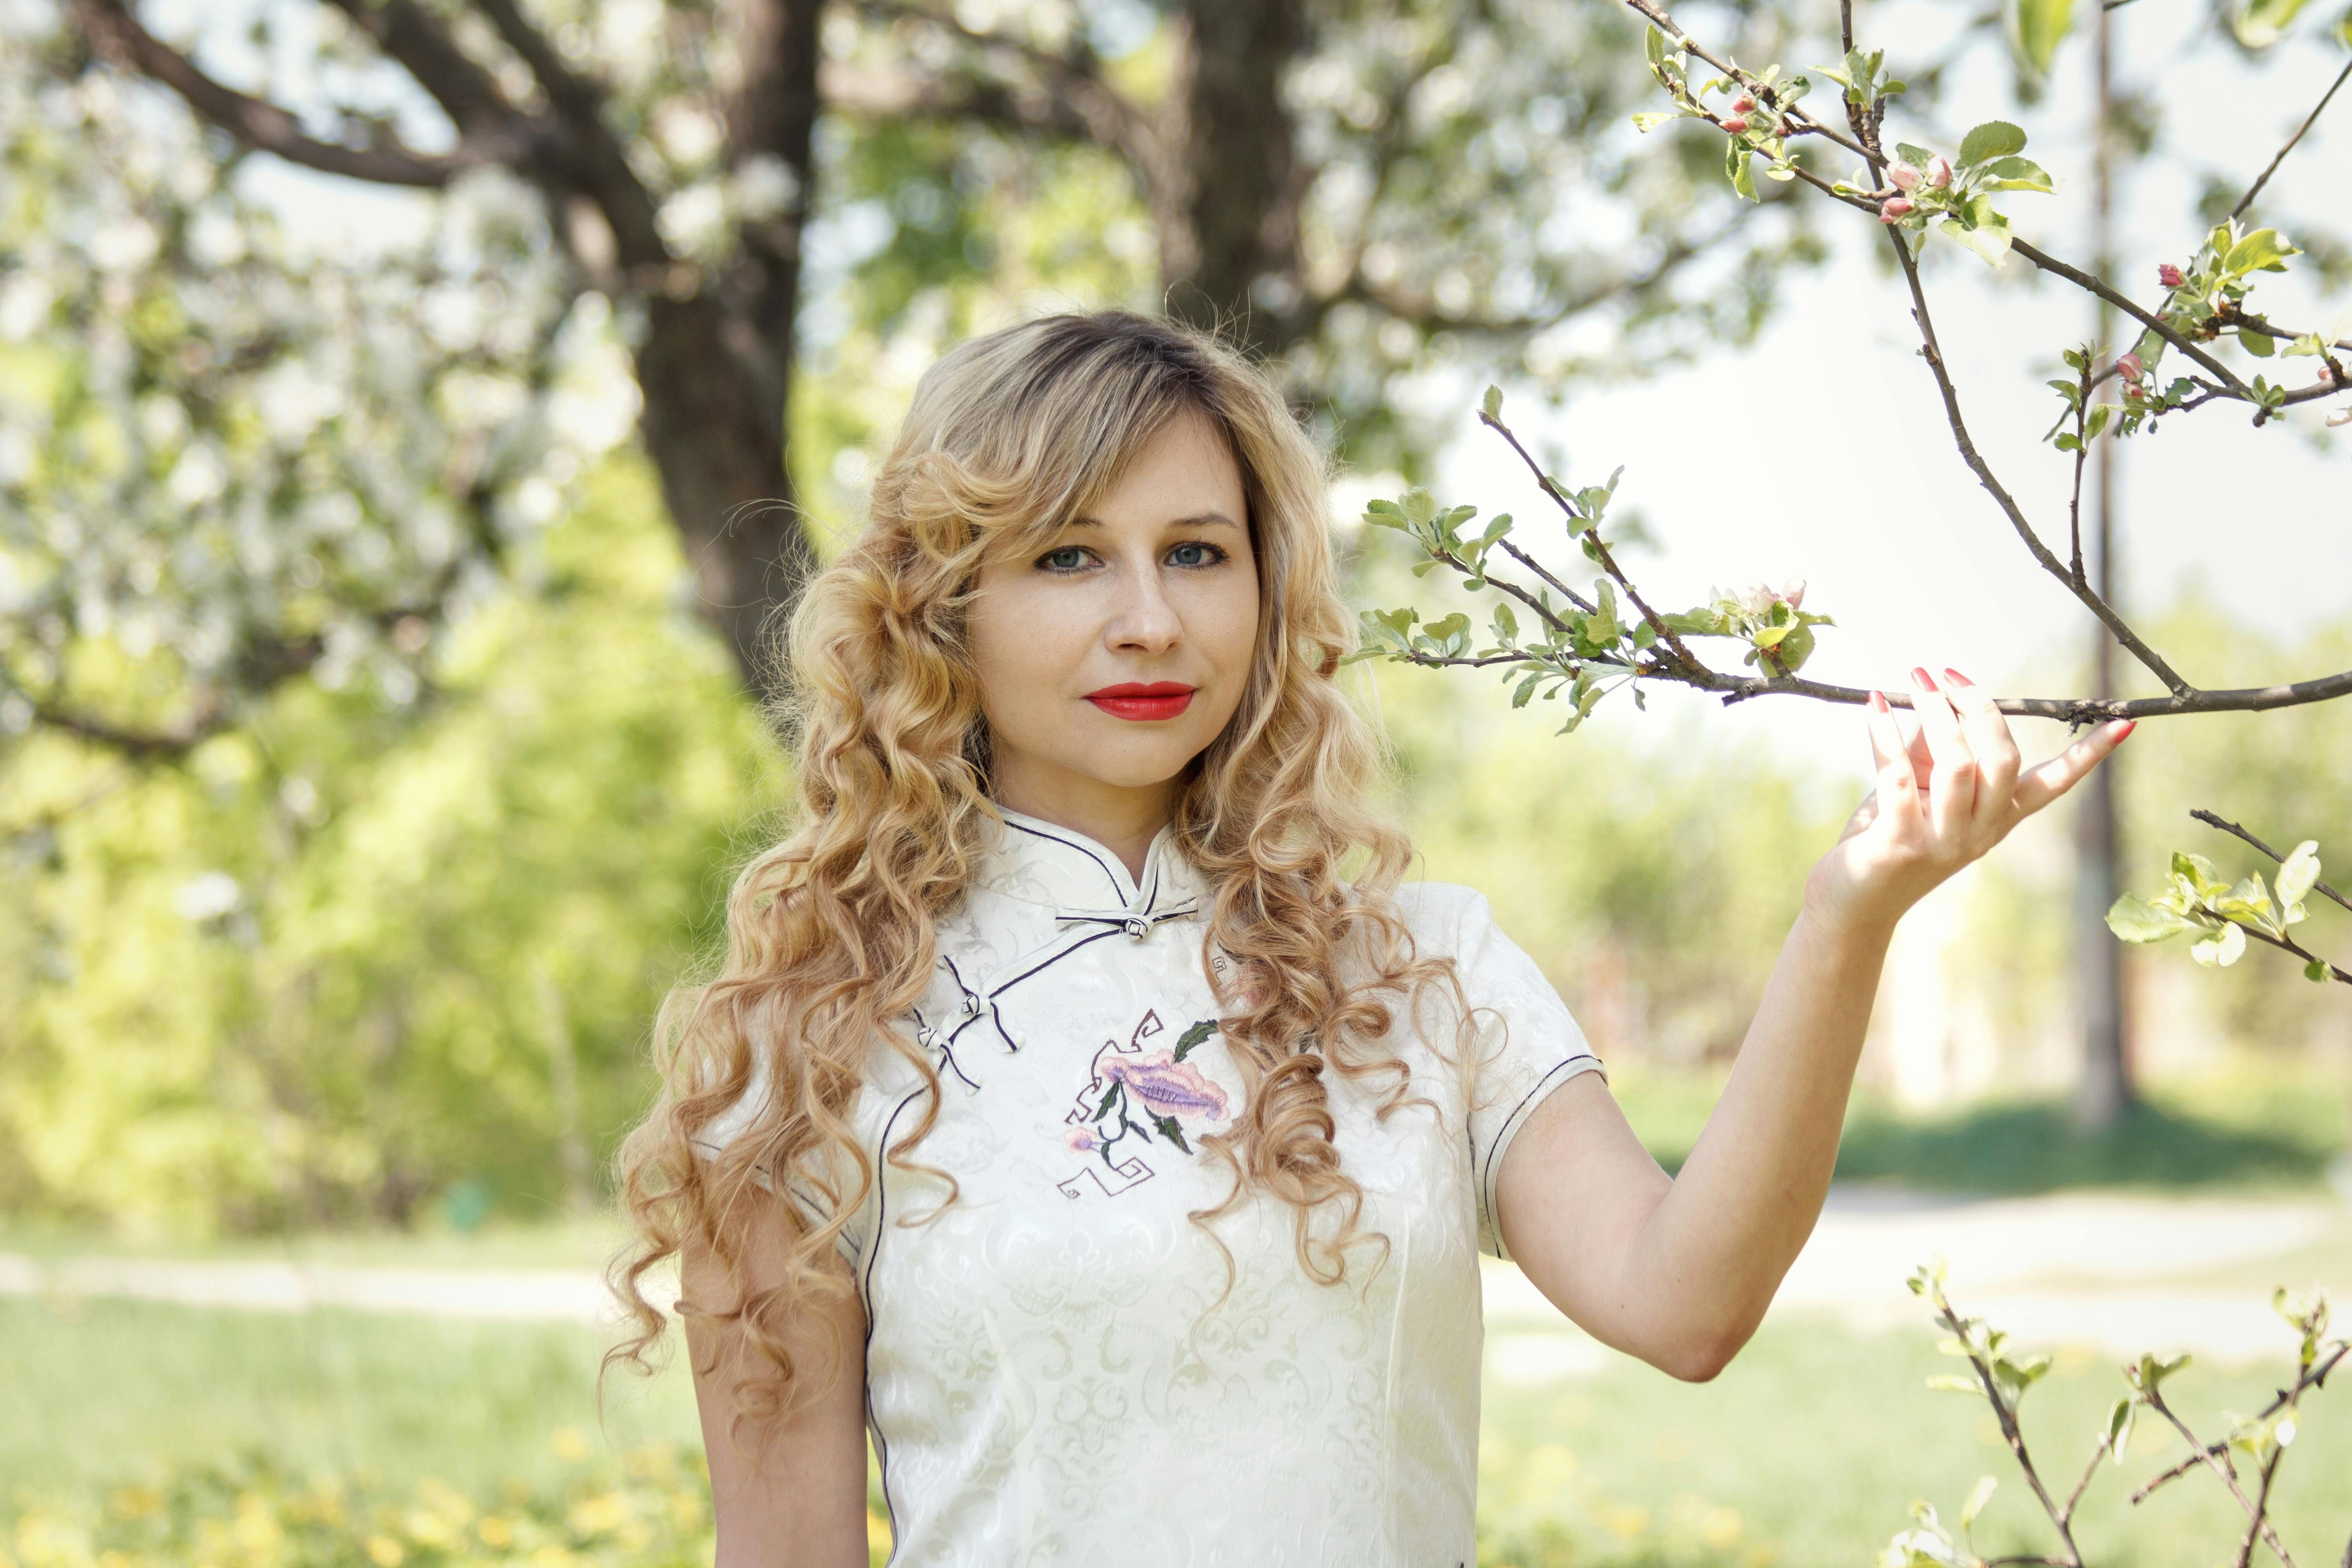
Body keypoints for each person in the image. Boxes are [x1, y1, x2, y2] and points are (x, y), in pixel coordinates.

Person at [602, 309, 2131, 1567]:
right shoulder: (809, 1050)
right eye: (1070, 555)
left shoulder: (1427, 969)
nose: (1149, 617)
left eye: (1198, 551)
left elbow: (1685, 1302)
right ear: (945, 608)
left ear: (1268, 592)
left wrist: (1844, 915)